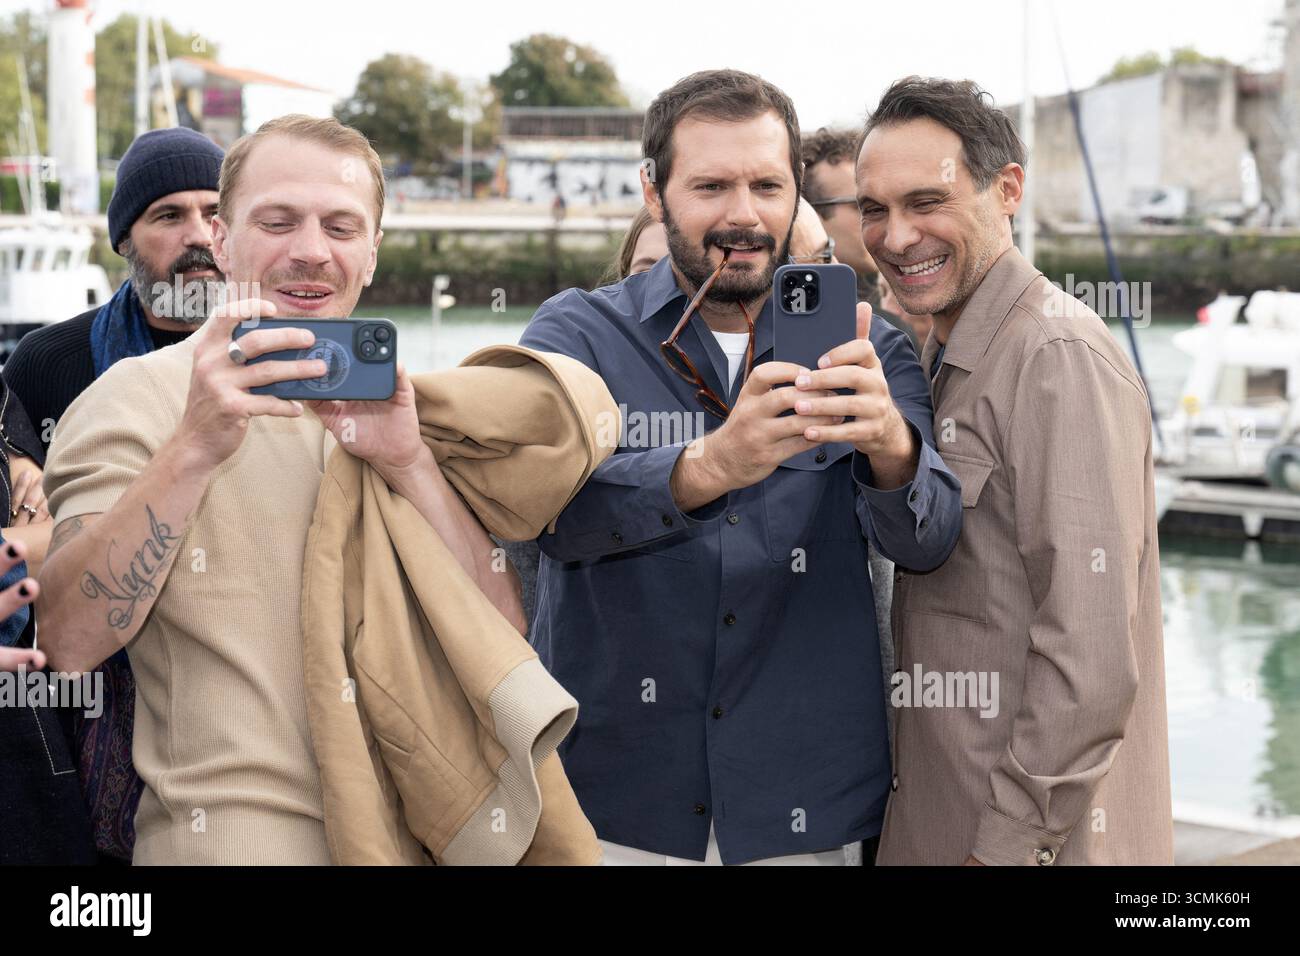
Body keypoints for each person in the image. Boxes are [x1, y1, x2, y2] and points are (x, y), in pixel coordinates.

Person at [38, 114, 522, 865]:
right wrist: (194, 449)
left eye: (340, 226)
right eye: (278, 221)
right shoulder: (136, 400)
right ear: (224, 242)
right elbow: (67, 640)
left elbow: (503, 643)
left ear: (371, 252)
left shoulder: (412, 413)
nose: (310, 251)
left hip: (411, 841)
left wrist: (409, 464)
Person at [519, 69, 961, 866]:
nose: (743, 214)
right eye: (712, 185)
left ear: (796, 191)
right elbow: (542, 515)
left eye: (766, 184)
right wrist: (707, 465)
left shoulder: (876, 348)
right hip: (612, 806)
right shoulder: (574, 331)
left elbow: (927, 544)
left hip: (805, 808)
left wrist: (892, 450)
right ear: (654, 193)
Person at [856, 77, 1172, 865]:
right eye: (873, 208)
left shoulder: (1056, 357)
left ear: (1008, 191)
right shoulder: (942, 350)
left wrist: (1003, 851)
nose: (896, 237)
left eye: (926, 200)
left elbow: (1091, 658)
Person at [3, 126, 225, 866]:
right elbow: (22, 527)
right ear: (124, 239)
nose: (199, 235)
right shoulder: (51, 363)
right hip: (94, 684)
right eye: (169, 216)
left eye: (215, 211)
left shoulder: (286, 354)